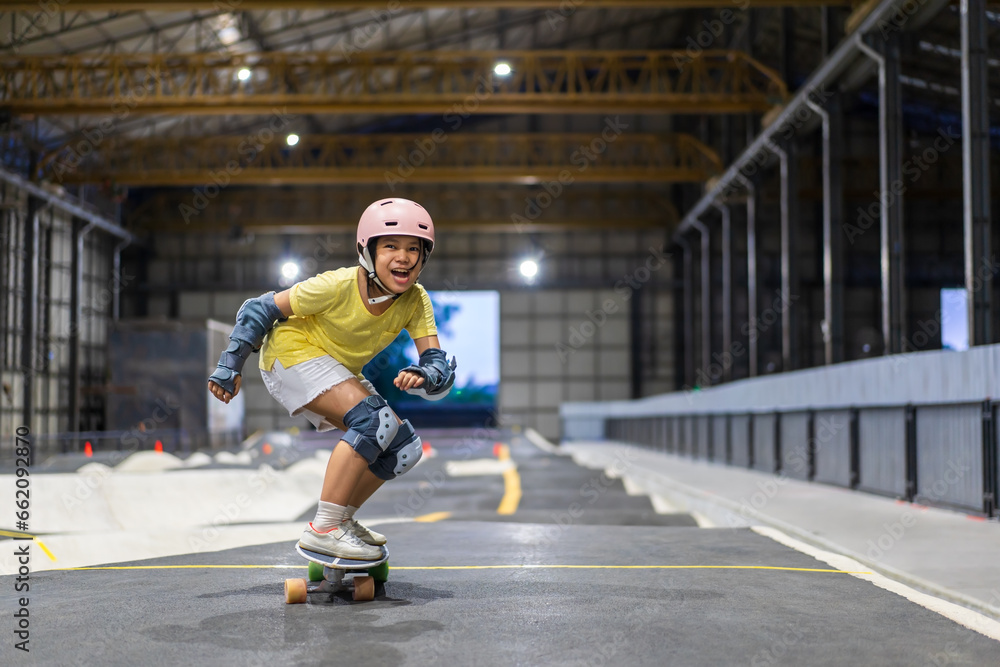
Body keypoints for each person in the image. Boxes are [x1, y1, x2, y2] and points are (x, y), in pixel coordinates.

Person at [207, 197, 456, 561]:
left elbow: (436, 360)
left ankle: (340, 520)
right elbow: (260, 308)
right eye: (390, 246)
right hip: (289, 354)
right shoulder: (337, 285)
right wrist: (230, 364)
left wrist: (425, 373)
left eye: (413, 249)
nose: (403, 257)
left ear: (423, 258)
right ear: (368, 252)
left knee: (404, 449)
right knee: (374, 421)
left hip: (335, 368)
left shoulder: (416, 300)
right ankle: (324, 529)